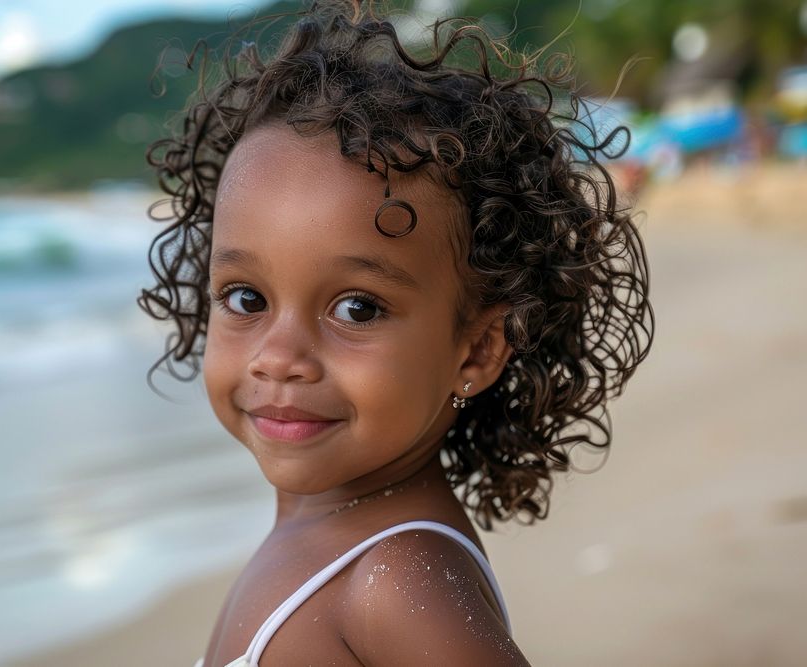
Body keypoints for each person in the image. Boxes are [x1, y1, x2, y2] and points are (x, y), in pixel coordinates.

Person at [138, 1, 653, 664]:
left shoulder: (394, 579)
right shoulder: (324, 526)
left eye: (356, 308)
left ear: (477, 350)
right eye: (246, 297)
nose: (280, 357)